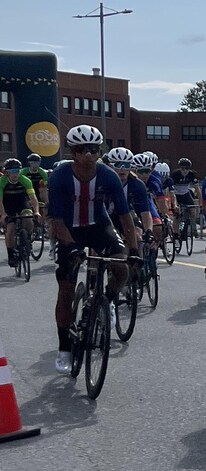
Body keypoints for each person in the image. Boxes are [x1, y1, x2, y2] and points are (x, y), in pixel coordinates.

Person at [46, 125, 137, 373]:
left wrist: (134, 250)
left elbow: (124, 216)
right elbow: (56, 220)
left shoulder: (108, 175)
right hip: (69, 230)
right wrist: (71, 246)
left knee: (122, 269)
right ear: (72, 152)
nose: (88, 154)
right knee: (66, 289)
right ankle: (64, 348)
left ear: (99, 152)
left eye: (94, 149)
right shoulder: (60, 176)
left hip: (99, 226)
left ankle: (105, 301)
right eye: (81, 149)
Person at [3, 158, 40, 271]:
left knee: (28, 219)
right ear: (7, 172)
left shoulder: (25, 180)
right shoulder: (2, 182)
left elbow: (33, 198)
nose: (15, 174)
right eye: (12, 171)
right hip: (7, 205)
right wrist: (3, 214)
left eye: (17, 171)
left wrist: (36, 211)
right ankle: (11, 254)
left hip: (22, 203)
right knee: (10, 228)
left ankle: (27, 240)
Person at [169, 157, 201, 239]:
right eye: (182, 169)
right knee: (177, 215)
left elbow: (197, 188)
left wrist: (201, 201)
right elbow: (170, 190)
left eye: (187, 169)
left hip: (186, 194)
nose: (185, 171)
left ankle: (192, 228)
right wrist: (174, 203)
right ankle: (175, 234)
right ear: (180, 168)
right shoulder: (175, 174)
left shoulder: (191, 174)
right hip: (176, 194)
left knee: (193, 210)